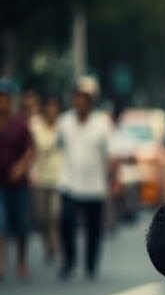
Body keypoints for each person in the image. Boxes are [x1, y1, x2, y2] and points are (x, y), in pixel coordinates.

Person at [56, 76, 116, 280]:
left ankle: (90, 263)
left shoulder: (102, 124)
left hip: (94, 185)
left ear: (91, 101)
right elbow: (57, 147)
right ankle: (69, 260)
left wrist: (112, 179)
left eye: (85, 98)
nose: (81, 101)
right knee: (66, 222)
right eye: (78, 97)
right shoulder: (64, 122)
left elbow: (111, 155)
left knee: (94, 229)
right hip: (69, 182)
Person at [0, 80, 35, 281]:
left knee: (21, 225)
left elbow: (31, 150)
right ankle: (1, 261)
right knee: (0, 222)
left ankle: (22, 259)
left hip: (18, 183)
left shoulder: (19, 123)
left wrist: (21, 167)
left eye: (5, 98)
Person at [26, 92, 61, 266]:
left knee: (55, 214)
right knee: (41, 217)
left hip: (59, 177)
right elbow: (30, 150)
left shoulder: (63, 126)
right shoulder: (35, 126)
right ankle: (47, 242)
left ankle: (54, 243)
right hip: (39, 176)